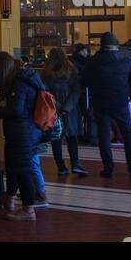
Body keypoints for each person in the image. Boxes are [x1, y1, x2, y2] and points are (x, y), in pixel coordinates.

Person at [0, 56, 50, 222]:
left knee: (23, 170)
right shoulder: (26, 78)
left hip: (23, 132)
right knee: (13, 166)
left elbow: (17, 110)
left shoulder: (19, 82)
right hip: (25, 131)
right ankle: (10, 199)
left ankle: (28, 209)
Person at [83, 33, 131, 177]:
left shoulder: (93, 61)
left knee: (103, 135)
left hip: (100, 102)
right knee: (127, 133)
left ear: (101, 45)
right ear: (116, 45)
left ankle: (108, 167)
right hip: (120, 101)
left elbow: (84, 81)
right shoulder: (126, 60)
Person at [41, 48, 86, 176]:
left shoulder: (46, 73)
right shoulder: (71, 71)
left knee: (56, 138)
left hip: (54, 111)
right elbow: (76, 91)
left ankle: (61, 166)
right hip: (70, 111)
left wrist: (57, 106)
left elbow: (45, 93)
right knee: (72, 138)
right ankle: (75, 164)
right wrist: (67, 107)